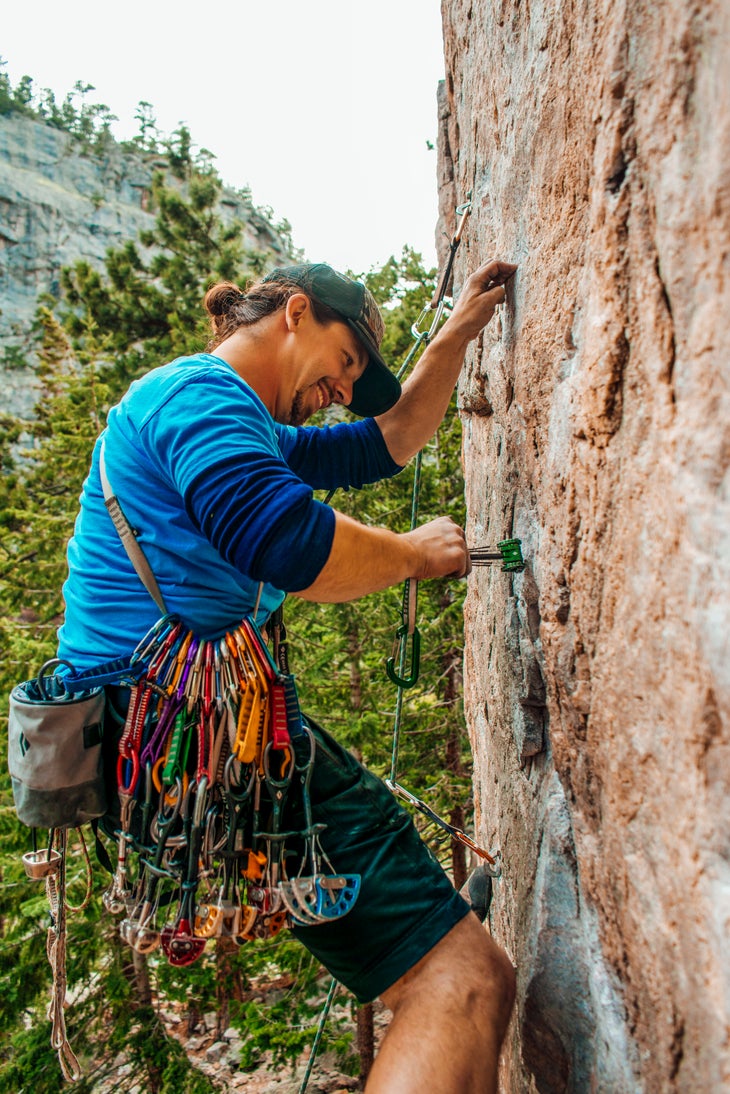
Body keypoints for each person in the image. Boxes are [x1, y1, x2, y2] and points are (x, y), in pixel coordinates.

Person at [58, 257, 517, 1092]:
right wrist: (414, 555)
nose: (344, 388)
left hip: (164, 737)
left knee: (446, 970)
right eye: (345, 363)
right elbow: (285, 543)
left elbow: (388, 441)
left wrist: (454, 336)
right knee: (460, 976)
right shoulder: (199, 398)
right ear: (296, 313)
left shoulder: (247, 426)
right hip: (181, 731)